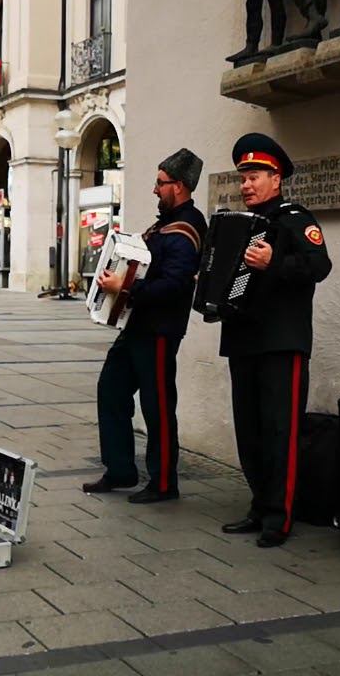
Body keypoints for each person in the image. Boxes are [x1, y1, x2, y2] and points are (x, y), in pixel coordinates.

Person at [218, 133, 331, 548]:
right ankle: (259, 504)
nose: (245, 185)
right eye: (242, 177)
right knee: (249, 431)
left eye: (254, 177)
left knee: (280, 430)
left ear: (276, 177)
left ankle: (280, 517)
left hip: (283, 342)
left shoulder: (295, 218)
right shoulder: (238, 224)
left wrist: (274, 263)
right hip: (244, 339)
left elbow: (319, 266)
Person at [83, 149, 208, 504]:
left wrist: (124, 287)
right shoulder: (165, 225)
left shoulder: (186, 230)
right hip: (138, 326)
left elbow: (176, 286)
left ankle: (165, 483)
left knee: (157, 406)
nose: (155, 190)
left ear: (179, 187)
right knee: (111, 390)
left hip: (159, 330)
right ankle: (121, 470)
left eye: (160, 183)